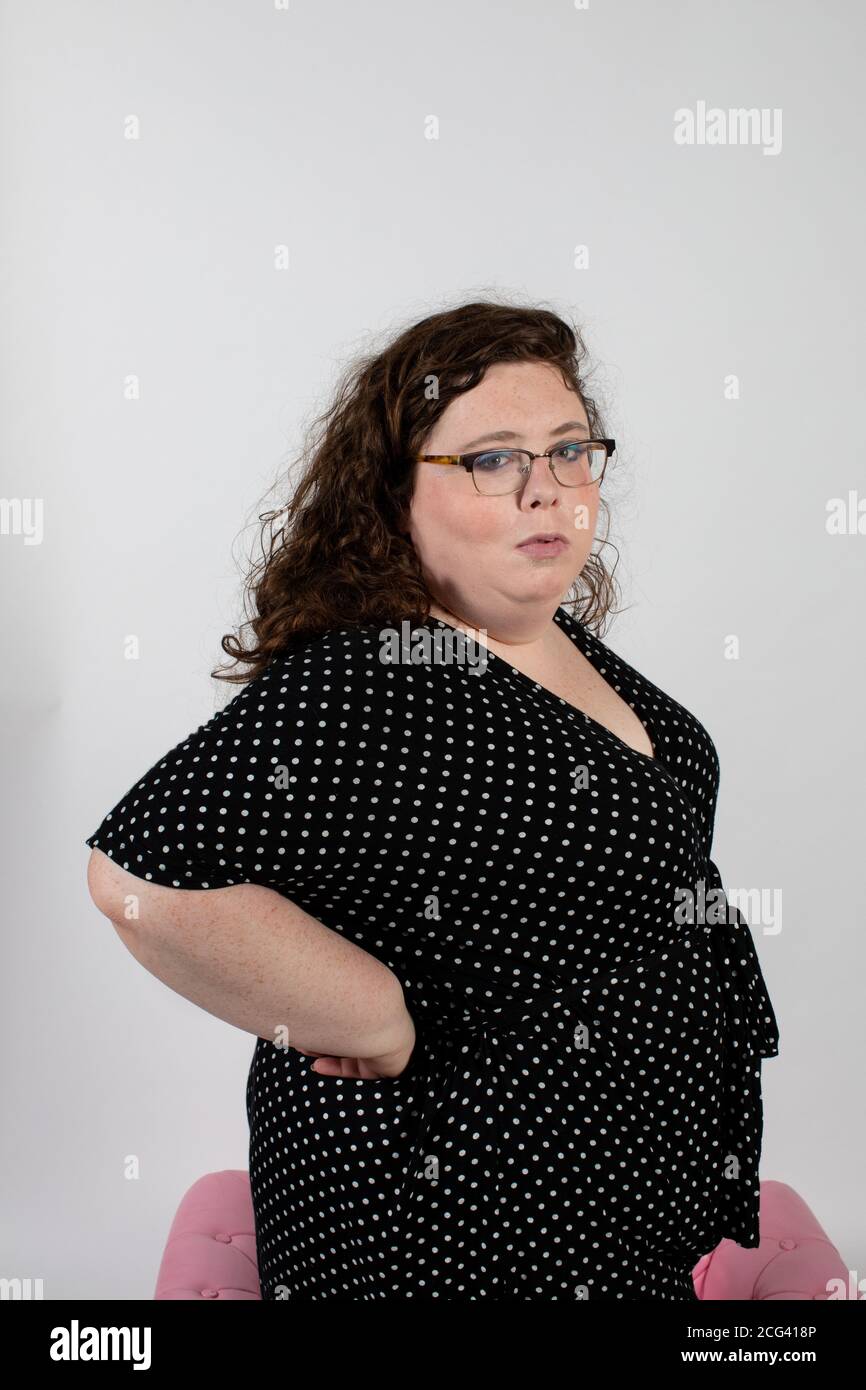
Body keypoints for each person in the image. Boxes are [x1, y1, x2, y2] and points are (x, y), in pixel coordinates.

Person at [85, 298, 779, 1301]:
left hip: (602, 1210)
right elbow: (137, 873)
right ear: (393, 491)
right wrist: (368, 1015)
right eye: (494, 460)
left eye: (569, 450)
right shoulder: (380, 674)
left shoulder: (526, 631)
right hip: (451, 1228)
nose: (547, 492)